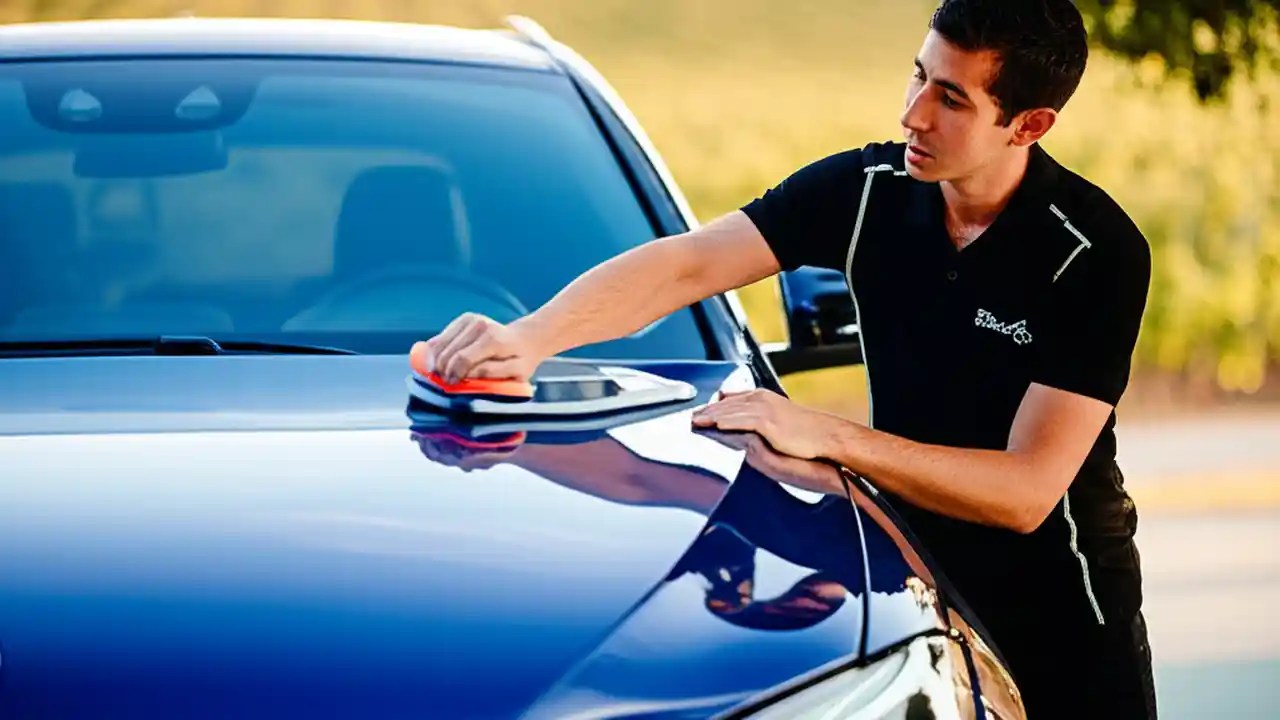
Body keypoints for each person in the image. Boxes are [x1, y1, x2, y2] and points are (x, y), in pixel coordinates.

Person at [419, 0, 1155, 716]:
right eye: (918, 75)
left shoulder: (1094, 253)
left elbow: (1027, 493)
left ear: (1029, 124)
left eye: (952, 99)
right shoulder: (867, 191)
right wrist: (529, 340)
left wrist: (830, 438)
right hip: (909, 583)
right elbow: (689, 265)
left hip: (1063, 621)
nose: (913, 114)